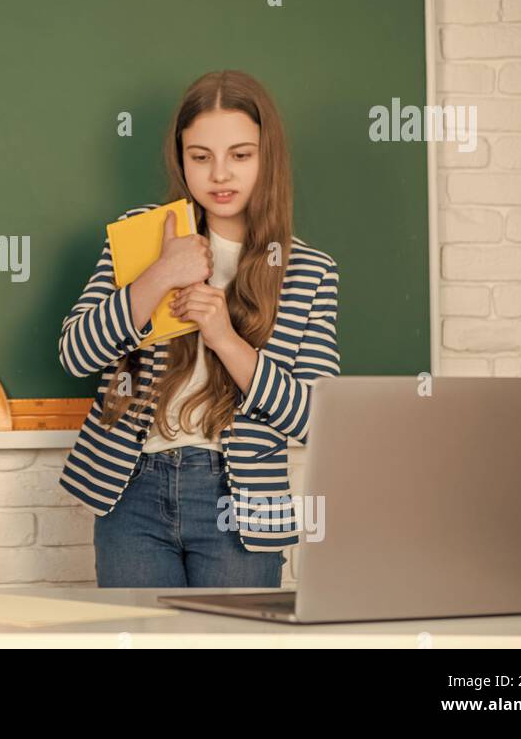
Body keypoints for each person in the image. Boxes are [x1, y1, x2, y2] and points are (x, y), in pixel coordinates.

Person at [57, 69, 340, 588]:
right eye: (201, 157)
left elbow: (315, 418)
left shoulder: (309, 270)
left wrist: (225, 338)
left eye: (241, 155)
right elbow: (76, 353)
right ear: (180, 158)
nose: (221, 175)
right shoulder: (145, 231)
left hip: (243, 506)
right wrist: (160, 273)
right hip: (132, 491)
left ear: (267, 157)